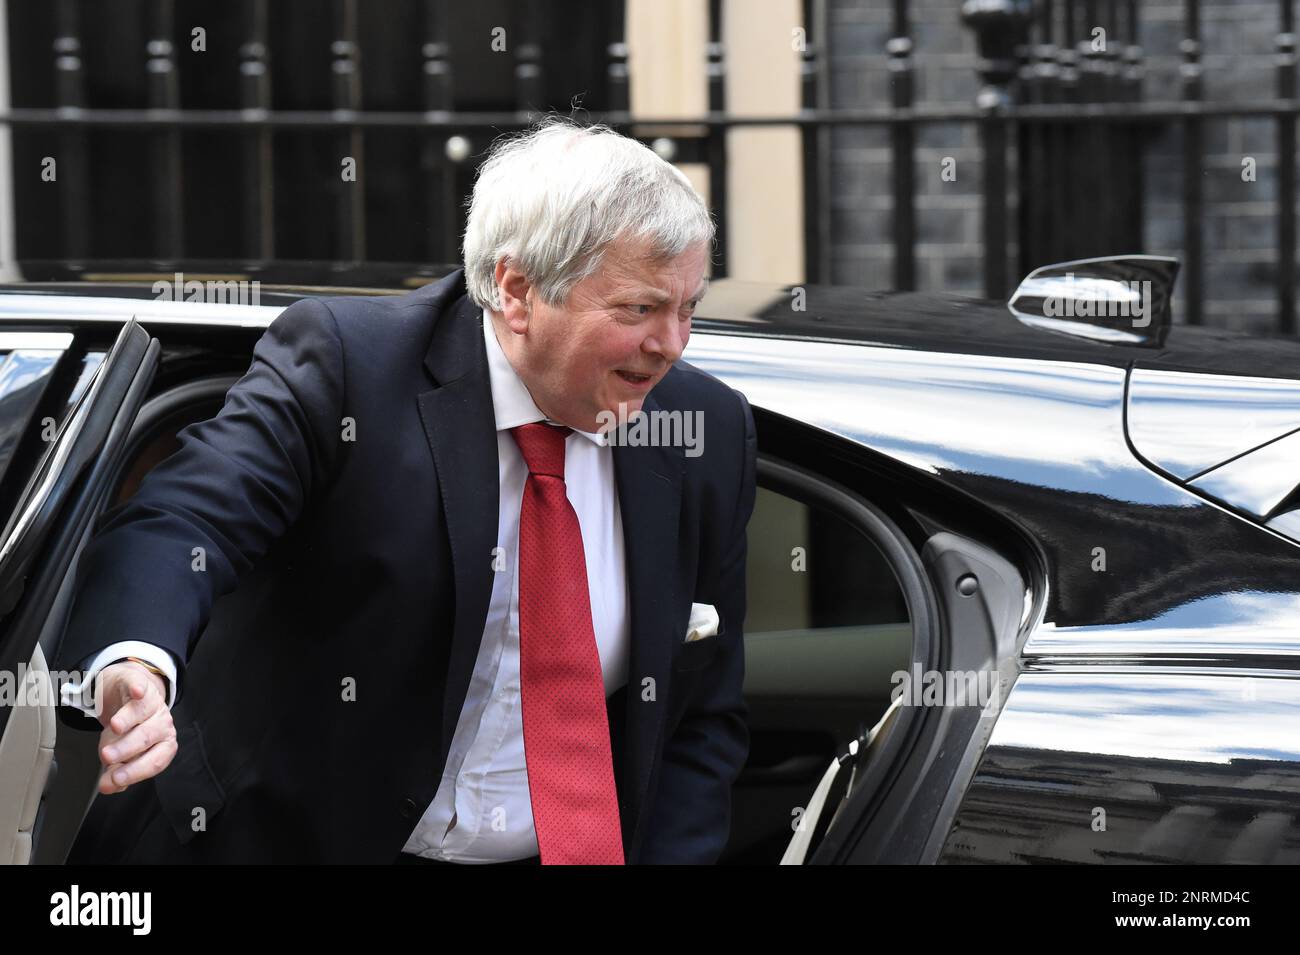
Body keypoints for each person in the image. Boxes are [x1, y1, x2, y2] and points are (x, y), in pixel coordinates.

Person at [53, 116, 757, 865]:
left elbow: (701, 721)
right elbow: (186, 521)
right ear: (517, 290)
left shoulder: (700, 428)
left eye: (688, 308)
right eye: (640, 309)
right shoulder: (350, 366)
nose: (672, 343)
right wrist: (137, 660)